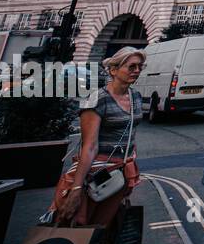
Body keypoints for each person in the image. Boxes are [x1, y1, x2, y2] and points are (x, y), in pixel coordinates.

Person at [51, 47, 145, 229]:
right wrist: (77, 188)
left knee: (104, 226)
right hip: (96, 173)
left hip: (121, 170)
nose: (137, 71)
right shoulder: (96, 99)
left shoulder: (136, 97)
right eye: (131, 67)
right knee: (78, 224)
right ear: (113, 70)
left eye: (140, 67)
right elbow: (89, 146)